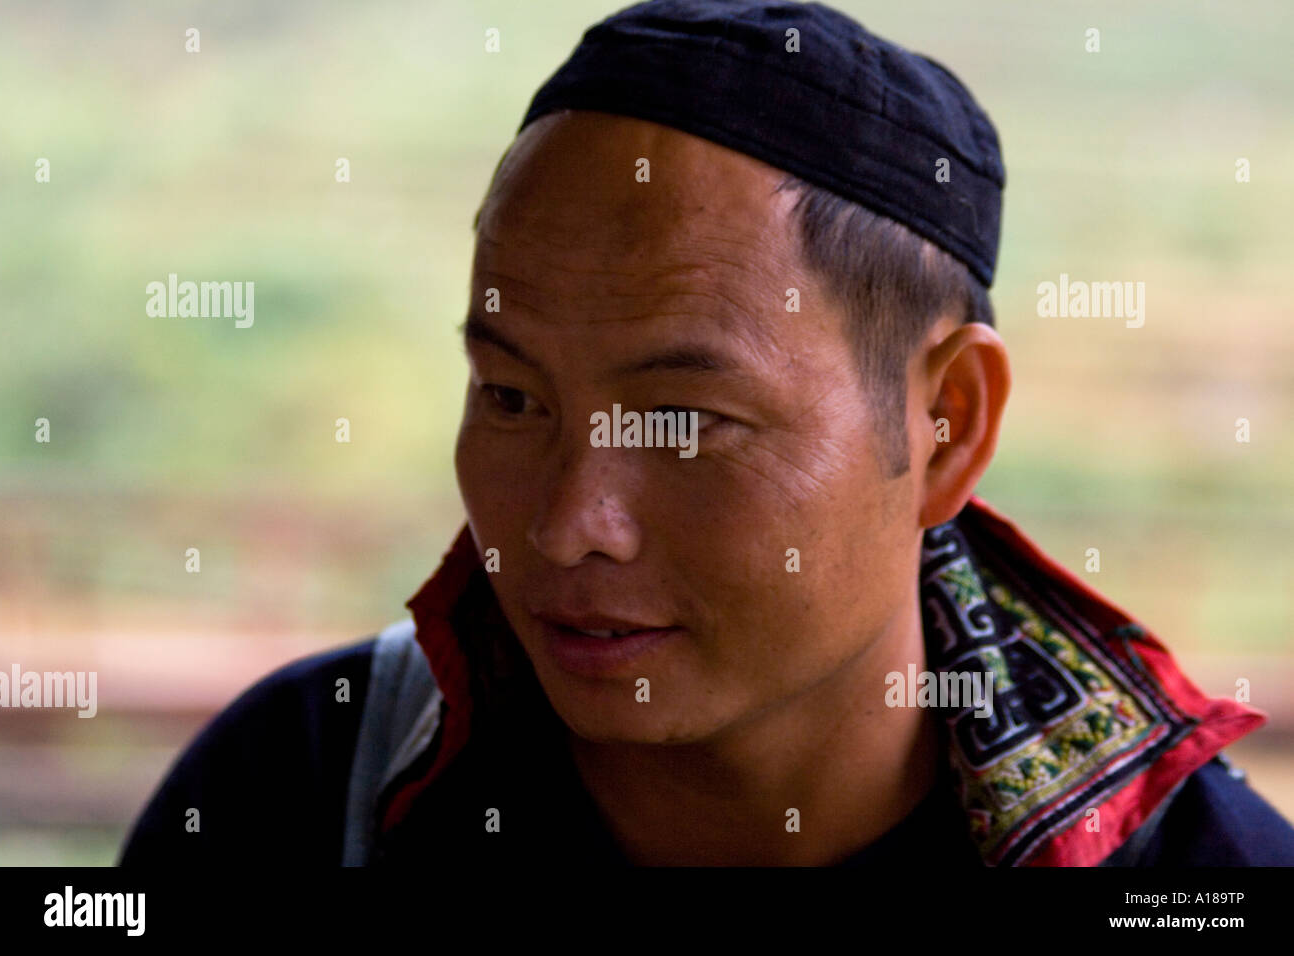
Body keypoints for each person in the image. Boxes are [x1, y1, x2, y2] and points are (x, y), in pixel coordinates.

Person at [120, 0, 1294, 867]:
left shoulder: (1192, 875)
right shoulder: (304, 794)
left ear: (945, 426)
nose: (566, 522)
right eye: (514, 397)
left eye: (683, 419)